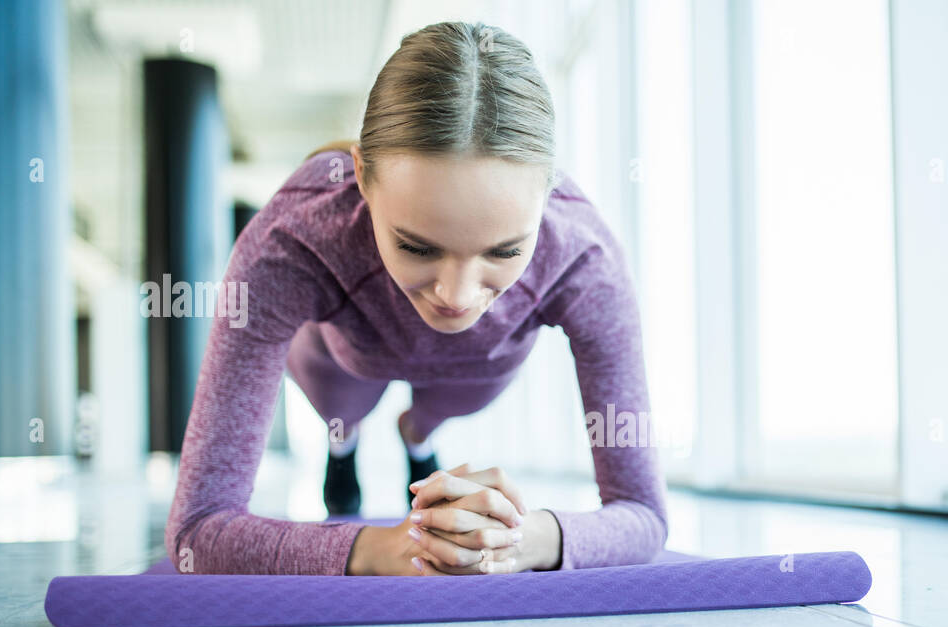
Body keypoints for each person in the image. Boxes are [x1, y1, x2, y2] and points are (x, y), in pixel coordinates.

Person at [164, 21, 668, 576]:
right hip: (346, 354)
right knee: (344, 409)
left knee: (434, 413)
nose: (455, 295)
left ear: (549, 195)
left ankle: (416, 432)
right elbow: (197, 527)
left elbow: (643, 514)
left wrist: (516, 539)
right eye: (416, 246)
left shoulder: (584, 255)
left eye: (503, 252)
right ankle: (345, 441)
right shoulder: (289, 240)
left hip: (478, 363)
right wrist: (389, 548)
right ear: (361, 176)